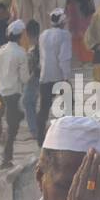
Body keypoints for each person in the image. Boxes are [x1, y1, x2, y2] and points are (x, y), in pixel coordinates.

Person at [0, 19, 29, 168]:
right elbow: (24, 78)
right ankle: (6, 159)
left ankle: (5, 151)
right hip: (13, 93)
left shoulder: (0, 51)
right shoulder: (21, 53)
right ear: (21, 35)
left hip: (0, 91)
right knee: (12, 127)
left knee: (13, 120)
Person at [37, 9, 72, 145]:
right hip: (59, 76)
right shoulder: (64, 35)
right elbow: (64, 57)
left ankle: (40, 139)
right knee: (67, 106)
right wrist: (66, 77)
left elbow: (42, 57)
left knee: (44, 108)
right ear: (63, 22)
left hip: (44, 76)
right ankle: (64, 136)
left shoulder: (43, 35)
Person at [22, 19, 41, 138]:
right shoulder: (42, 44)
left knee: (28, 102)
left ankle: (34, 130)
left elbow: (33, 67)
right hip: (43, 77)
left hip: (34, 78)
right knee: (31, 103)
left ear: (27, 34)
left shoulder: (33, 48)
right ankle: (36, 128)